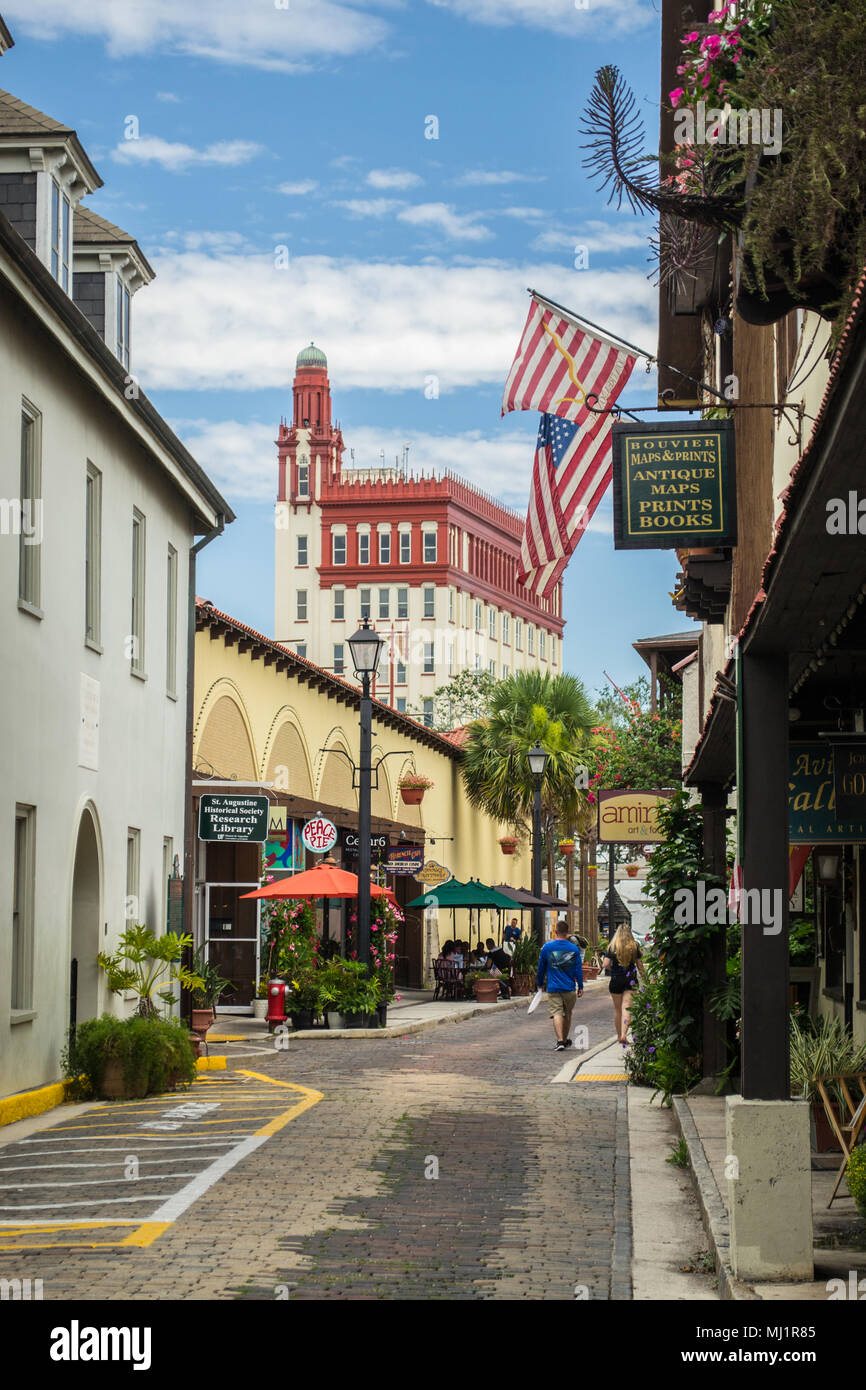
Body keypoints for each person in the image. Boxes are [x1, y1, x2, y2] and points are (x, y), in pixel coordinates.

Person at [536, 918, 584, 1051]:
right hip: (569, 988)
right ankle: (564, 1039)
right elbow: (578, 970)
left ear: (555, 932)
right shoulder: (574, 949)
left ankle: (560, 1041)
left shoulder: (547, 948)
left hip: (553, 987)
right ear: (567, 932)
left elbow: (541, 967)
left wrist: (539, 983)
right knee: (567, 1014)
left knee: (557, 1013)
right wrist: (580, 986)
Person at [601, 923, 644, 1044]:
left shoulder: (612, 946)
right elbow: (640, 965)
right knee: (627, 1008)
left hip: (615, 980)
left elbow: (605, 964)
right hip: (630, 980)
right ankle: (624, 1034)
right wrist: (645, 978)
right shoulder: (634, 946)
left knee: (617, 1009)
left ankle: (619, 1035)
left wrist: (613, 968)